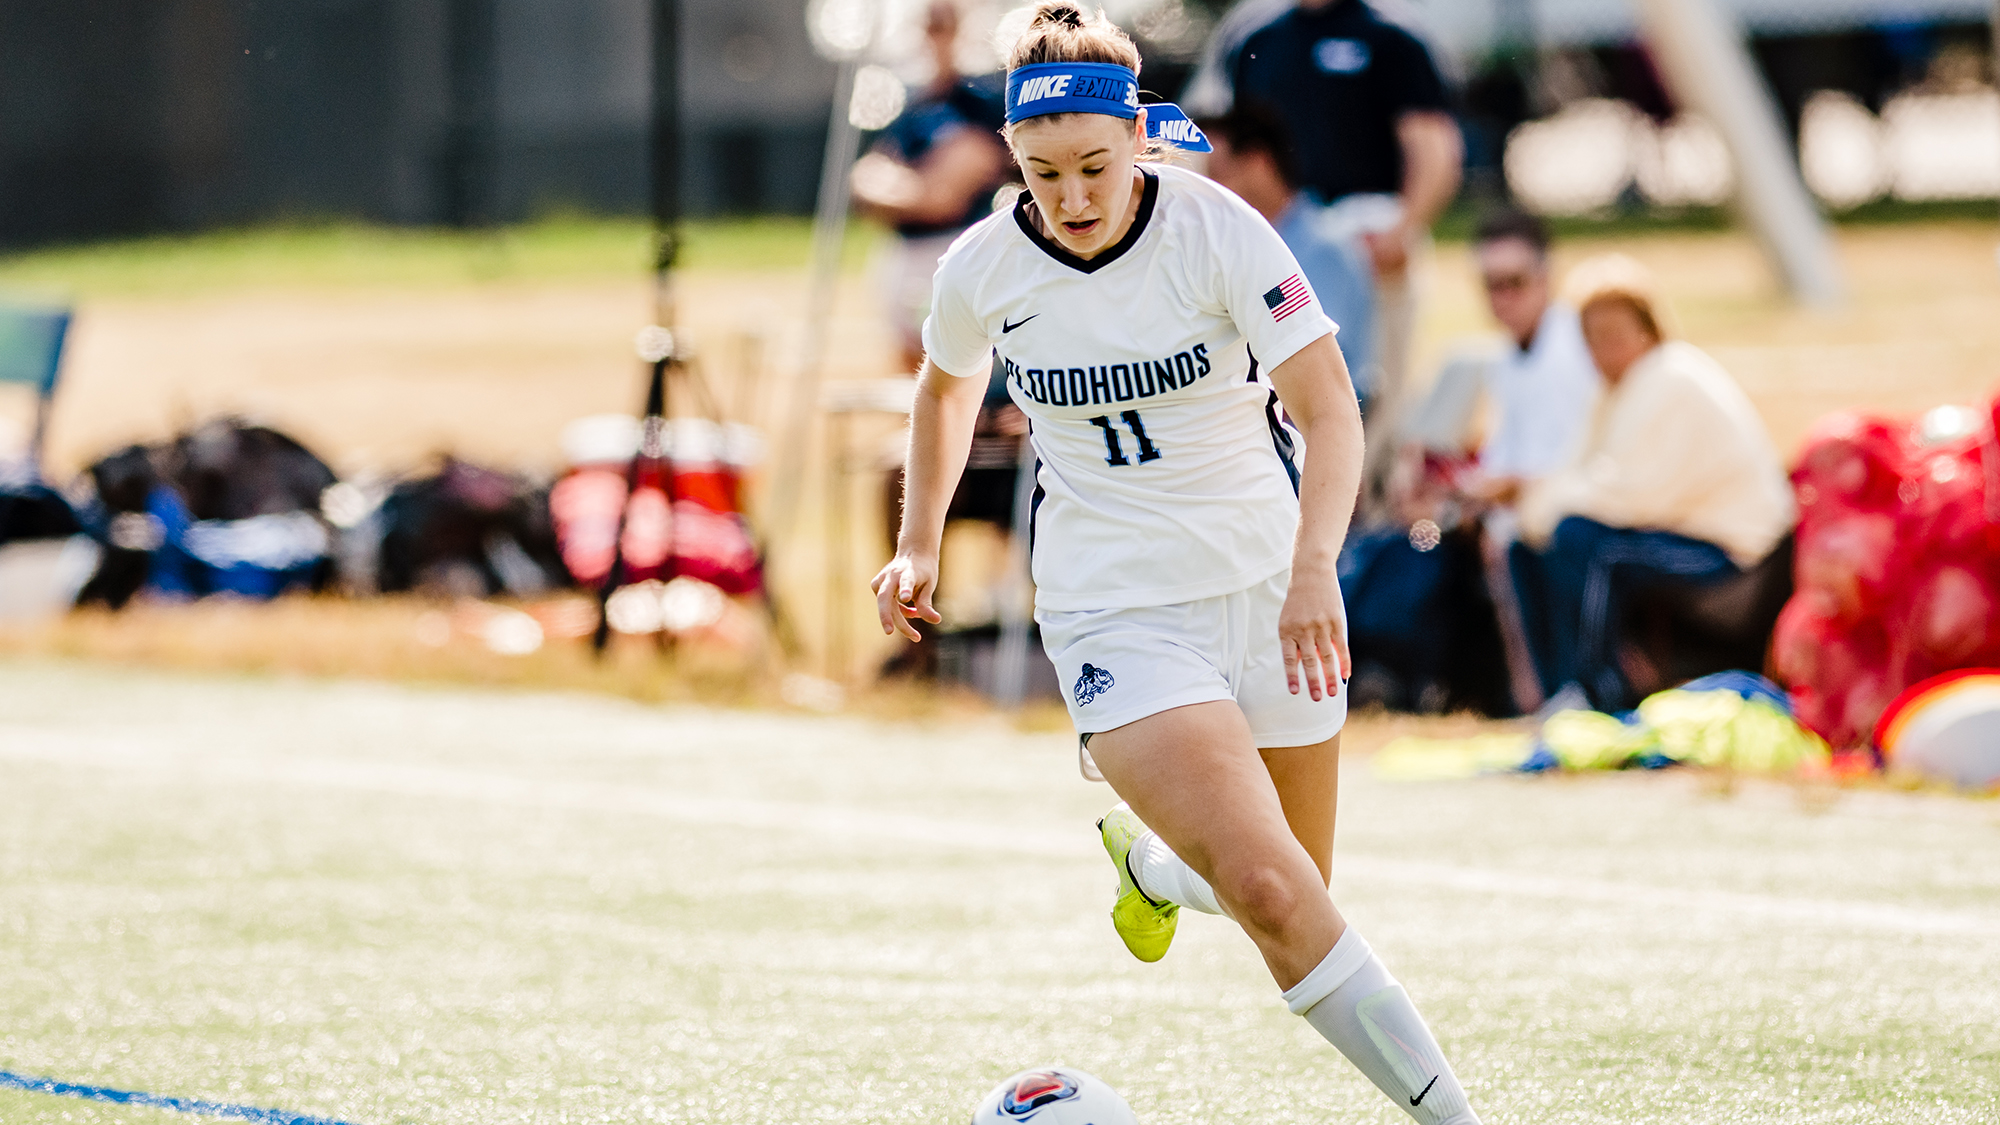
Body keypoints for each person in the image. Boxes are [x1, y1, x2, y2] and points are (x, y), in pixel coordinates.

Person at [871, 6, 1482, 1124]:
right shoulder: (984, 265)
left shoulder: (1220, 230)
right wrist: (917, 541)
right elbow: (945, 384)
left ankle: (1152, 867)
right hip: (1115, 613)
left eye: (1094, 164)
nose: (1070, 193)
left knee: (1297, 894)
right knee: (1267, 890)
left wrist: (1310, 570)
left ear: (1141, 137)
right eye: (1041, 170)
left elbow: (1328, 410)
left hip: (1269, 591)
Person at [1511, 255, 1796, 710]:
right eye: (1592, 339)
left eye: (1614, 336)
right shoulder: (1619, 391)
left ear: (1648, 330)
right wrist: (1536, 513)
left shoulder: (1668, 379)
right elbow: (1580, 478)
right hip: (1684, 530)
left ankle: (1596, 691)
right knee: (1528, 544)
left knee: (1589, 545)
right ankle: (1551, 692)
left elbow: (1626, 496)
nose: (1603, 351)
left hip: (1735, 550)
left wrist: (1540, 507)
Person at [1183, 0, 1462, 426]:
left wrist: (1404, 227)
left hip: (1369, 229)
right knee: (1272, 380)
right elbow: (1219, 139)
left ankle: (1372, 489)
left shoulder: (1390, 35)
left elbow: (1432, 143)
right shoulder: (1255, 37)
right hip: (1283, 235)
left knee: (1375, 389)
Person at [850, 0, 1012, 374]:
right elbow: (864, 184)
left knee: (961, 363)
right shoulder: (912, 108)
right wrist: (920, 186)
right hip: (904, 255)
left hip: (954, 247)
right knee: (913, 368)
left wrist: (903, 186)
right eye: (927, 25)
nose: (934, 35)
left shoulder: (982, 105)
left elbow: (944, 199)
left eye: (943, 24)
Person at [1199, 103, 1376, 395]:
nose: (1207, 191)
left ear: (1259, 164)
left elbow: (1312, 352)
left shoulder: (1321, 247)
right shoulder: (1249, 243)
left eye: (1218, 174)